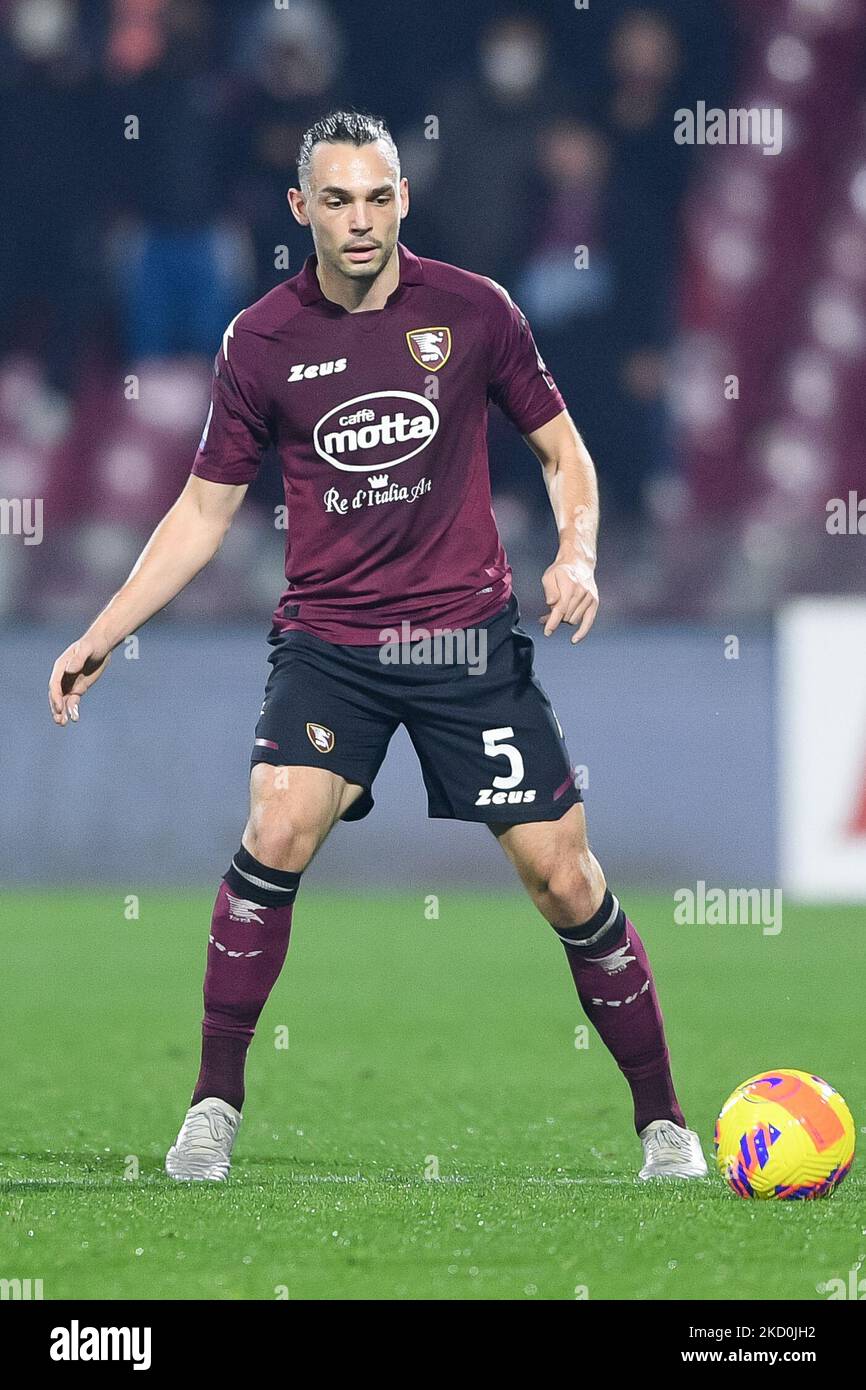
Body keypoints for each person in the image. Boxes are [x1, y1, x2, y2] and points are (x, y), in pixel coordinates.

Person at [48, 110, 706, 1184]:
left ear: (404, 197)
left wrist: (577, 553)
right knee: (276, 819)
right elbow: (203, 512)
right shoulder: (259, 339)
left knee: (563, 877)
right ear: (300, 208)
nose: (361, 221)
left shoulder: (474, 311)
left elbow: (561, 450)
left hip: (464, 643)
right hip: (332, 642)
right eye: (338, 200)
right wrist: (103, 630)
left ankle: (663, 1123)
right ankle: (213, 1104)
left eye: (379, 196)